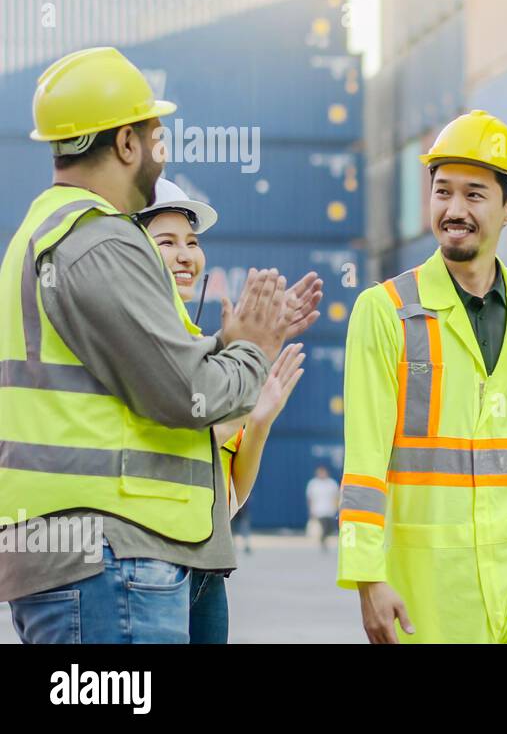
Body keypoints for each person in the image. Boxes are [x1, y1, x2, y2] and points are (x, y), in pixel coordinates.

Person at [0, 47, 314, 643]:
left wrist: (228, 340)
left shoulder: (45, 233)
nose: (159, 151)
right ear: (125, 143)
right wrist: (253, 348)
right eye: (156, 136)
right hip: (110, 558)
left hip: (81, 553)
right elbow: (186, 393)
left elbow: (134, 376)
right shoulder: (100, 241)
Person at [338, 109, 507, 644]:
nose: (453, 210)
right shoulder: (385, 311)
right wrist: (366, 576)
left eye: (473, 195)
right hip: (434, 587)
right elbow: (364, 460)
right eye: (442, 192)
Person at [135, 178, 318, 643]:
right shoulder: (132, 337)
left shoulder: (201, 350)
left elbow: (230, 496)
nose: (186, 255)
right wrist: (248, 367)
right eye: (167, 242)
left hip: (205, 569)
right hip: (149, 562)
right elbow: (173, 438)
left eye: (192, 243)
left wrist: (257, 422)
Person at [306, 466, 340, 551]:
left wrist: (336, 507)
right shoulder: (313, 484)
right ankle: (322, 540)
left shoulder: (331, 483)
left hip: (329, 510)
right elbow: (310, 498)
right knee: (323, 527)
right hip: (319, 510)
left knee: (330, 528)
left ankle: (323, 538)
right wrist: (311, 510)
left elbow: (336, 497)